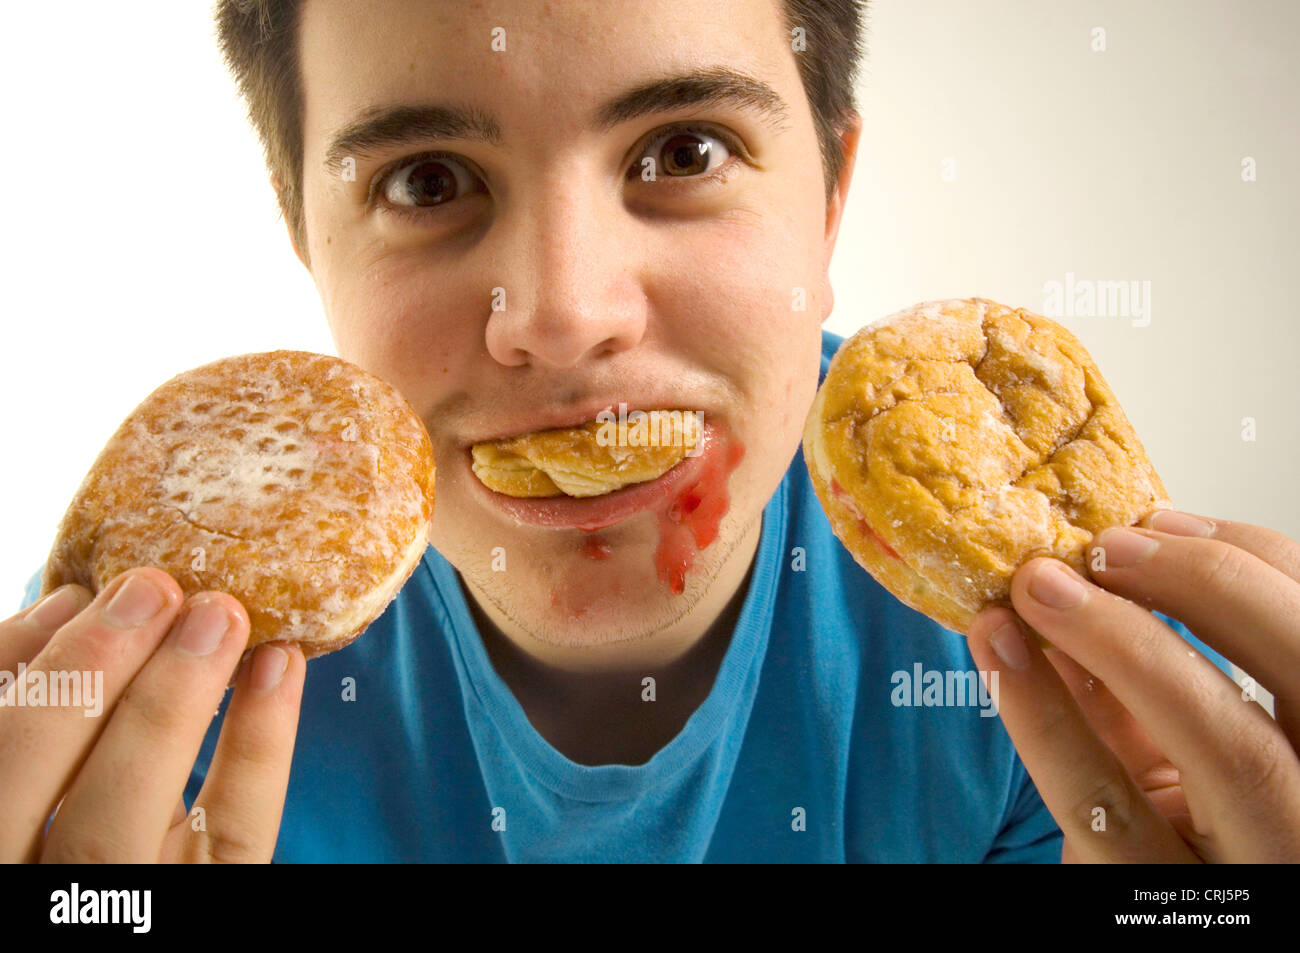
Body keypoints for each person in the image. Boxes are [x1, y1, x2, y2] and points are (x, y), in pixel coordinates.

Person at [6, 0, 1298, 863]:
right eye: (427, 182)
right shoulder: (144, 690)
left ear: (832, 201)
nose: (563, 314)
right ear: (305, 235)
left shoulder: (1084, 692)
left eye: (684, 150)